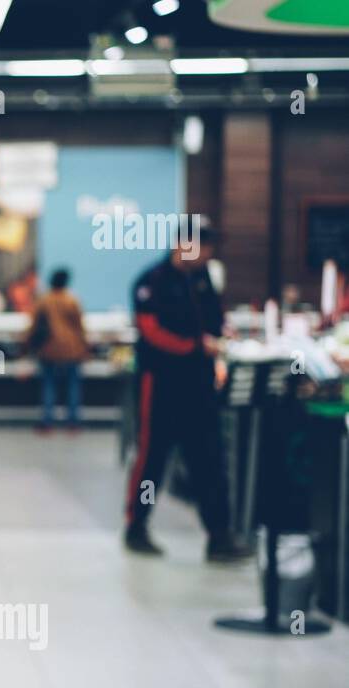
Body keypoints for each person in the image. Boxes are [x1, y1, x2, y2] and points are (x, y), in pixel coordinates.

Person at [123, 220, 252, 562]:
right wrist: (197, 346)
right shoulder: (152, 282)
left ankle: (219, 536)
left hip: (199, 385)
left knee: (209, 460)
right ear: (184, 244)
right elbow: (152, 332)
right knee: (153, 459)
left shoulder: (203, 279)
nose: (208, 254)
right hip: (161, 384)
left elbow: (215, 319)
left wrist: (223, 334)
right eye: (203, 246)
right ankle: (137, 526)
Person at [27, 268, 88, 432]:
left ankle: (47, 421)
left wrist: (27, 344)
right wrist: (85, 347)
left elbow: (34, 326)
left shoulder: (44, 300)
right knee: (73, 386)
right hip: (72, 348)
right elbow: (80, 326)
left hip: (49, 348)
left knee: (49, 385)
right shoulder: (72, 300)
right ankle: (73, 422)